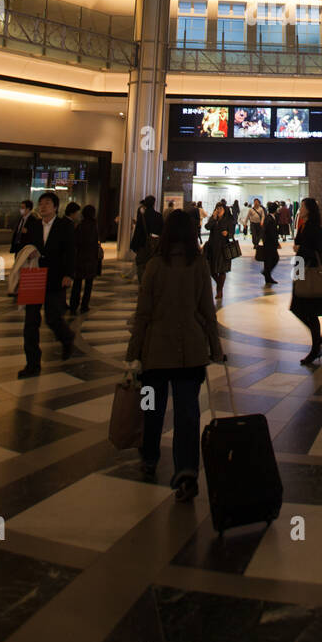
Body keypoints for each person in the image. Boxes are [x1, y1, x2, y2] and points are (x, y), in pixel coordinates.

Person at [125, 209, 224, 497]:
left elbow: (142, 313)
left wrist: (134, 351)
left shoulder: (155, 265)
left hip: (155, 353)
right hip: (190, 353)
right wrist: (215, 348)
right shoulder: (199, 265)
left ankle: (149, 456)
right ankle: (187, 471)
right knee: (188, 413)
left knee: (151, 408)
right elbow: (207, 310)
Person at [19, 191, 76, 378]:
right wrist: (29, 253)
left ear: (55, 207)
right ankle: (32, 363)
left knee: (53, 317)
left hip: (55, 277)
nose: (43, 206)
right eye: (41, 203)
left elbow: (70, 251)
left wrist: (69, 274)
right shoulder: (33, 226)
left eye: (47, 203)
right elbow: (23, 246)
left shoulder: (65, 226)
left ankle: (67, 338)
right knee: (30, 322)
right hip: (34, 276)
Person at [291, 197, 322, 366]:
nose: (301, 209)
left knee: (308, 311)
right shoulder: (303, 225)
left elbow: (317, 251)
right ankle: (317, 342)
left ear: (309, 209)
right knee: (297, 307)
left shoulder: (314, 228)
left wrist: (300, 248)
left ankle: (315, 347)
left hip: (310, 272)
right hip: (301, 269)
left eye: (303, 206)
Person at [69, 204, 99, 315]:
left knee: (77, 283)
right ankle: (84, 305)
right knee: (88, 284)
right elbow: (95, 242)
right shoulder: (93, 226)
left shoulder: (79, 226)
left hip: (80, 258)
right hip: (90, 258)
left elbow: (75, 242)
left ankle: (73, 305)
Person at [204, 202, 234, 300]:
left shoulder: (228, 219)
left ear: (224, 209)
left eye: (221, 208)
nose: (219, 210)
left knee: (222, 269)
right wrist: (214, 218)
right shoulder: (213, 218)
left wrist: (228, 233)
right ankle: (219, 286)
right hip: (212, 247)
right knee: (211, 270)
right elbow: (207, 227)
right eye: (217, 208)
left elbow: (232, 232)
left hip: (223, 247)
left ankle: (219, 290)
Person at [131, 195, 163, 285]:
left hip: (142, 245)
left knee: (141, 267)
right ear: (154, 203)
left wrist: (134, 246)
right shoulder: (158, 216)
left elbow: (138, 232)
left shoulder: (142, 216)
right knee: (153, 266)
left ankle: (143, 286)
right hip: (154, 246)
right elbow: (162, 231)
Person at [258, 202, 280, 285]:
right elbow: (270, 232)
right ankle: (266, 273)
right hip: (269, 243)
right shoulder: (269, 218)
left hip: (269, 242)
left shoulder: (270, 217)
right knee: (274, 258)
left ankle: (268, 277)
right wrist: (276, 242)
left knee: (269, 260)